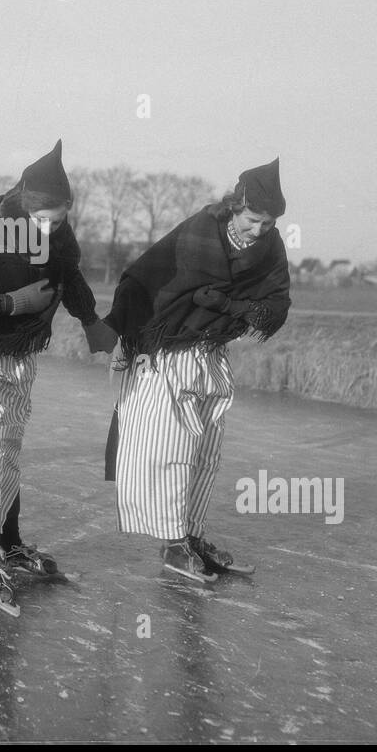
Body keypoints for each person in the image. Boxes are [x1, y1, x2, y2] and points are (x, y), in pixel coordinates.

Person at [0, 140, 116, 615]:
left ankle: (10, 543)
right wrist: (13, 303)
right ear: (19, 206)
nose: (51, 227)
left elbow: (69, 276)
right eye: (42, 219)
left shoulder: (57, 234)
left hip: (15, 354)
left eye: (59, 218)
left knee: (6, 451)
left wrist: (91, 320)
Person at [101, 158, 291, 583]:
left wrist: (227, 306)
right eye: (253, 219)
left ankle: (191, 535)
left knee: (205, 456)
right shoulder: (198, 232)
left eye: (268, 223)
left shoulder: (269, 247)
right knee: (171, 453)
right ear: (235, 206)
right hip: (167, 353)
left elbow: (275, 307)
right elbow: (141, 282)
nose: (259, 230)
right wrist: (130, 340)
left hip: (212, 355)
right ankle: (173, 545)